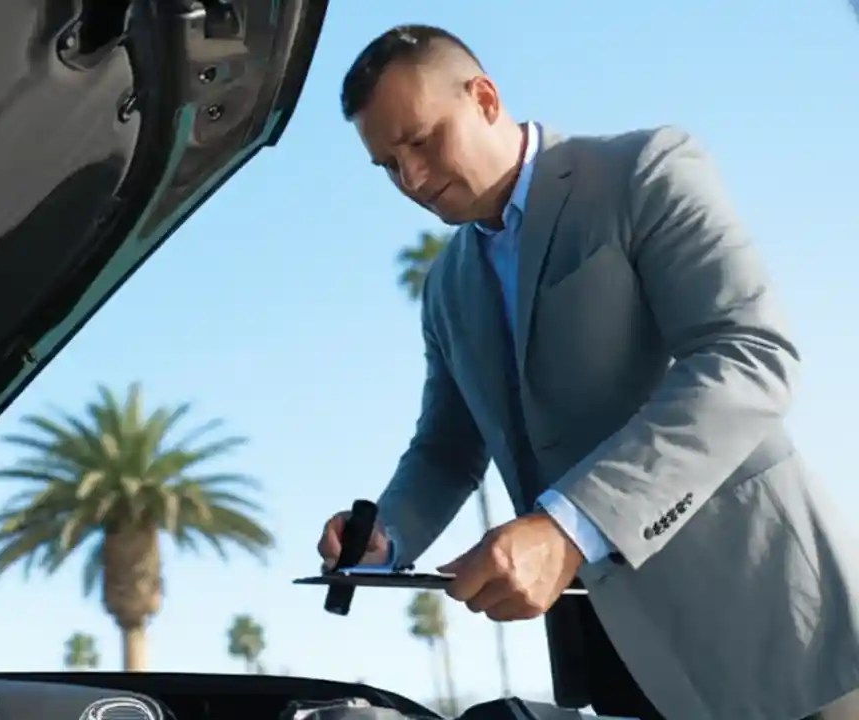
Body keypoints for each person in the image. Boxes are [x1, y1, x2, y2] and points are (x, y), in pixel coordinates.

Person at [315, 24, 859, 720]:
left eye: (420, 140)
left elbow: (748, 355)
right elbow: (446, 451)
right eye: (388, 164)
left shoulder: (645, 168)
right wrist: (385, 536)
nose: (411, 179)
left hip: (777, 629)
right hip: (618, 661)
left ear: (484, 98)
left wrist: (569, 527)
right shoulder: (445, 287)